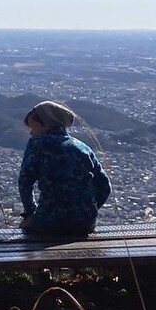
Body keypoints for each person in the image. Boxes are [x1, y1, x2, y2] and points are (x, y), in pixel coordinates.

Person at [18, 100, 111, 239]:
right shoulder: (83, 147)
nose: (31, 132)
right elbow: (105, 185)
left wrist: (31, 213)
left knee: (25, 228)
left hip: (49, 221)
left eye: (33, 126)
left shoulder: (38, 144)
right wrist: (89, 209)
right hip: (85, 223)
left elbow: (25, 182)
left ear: (46, 123)